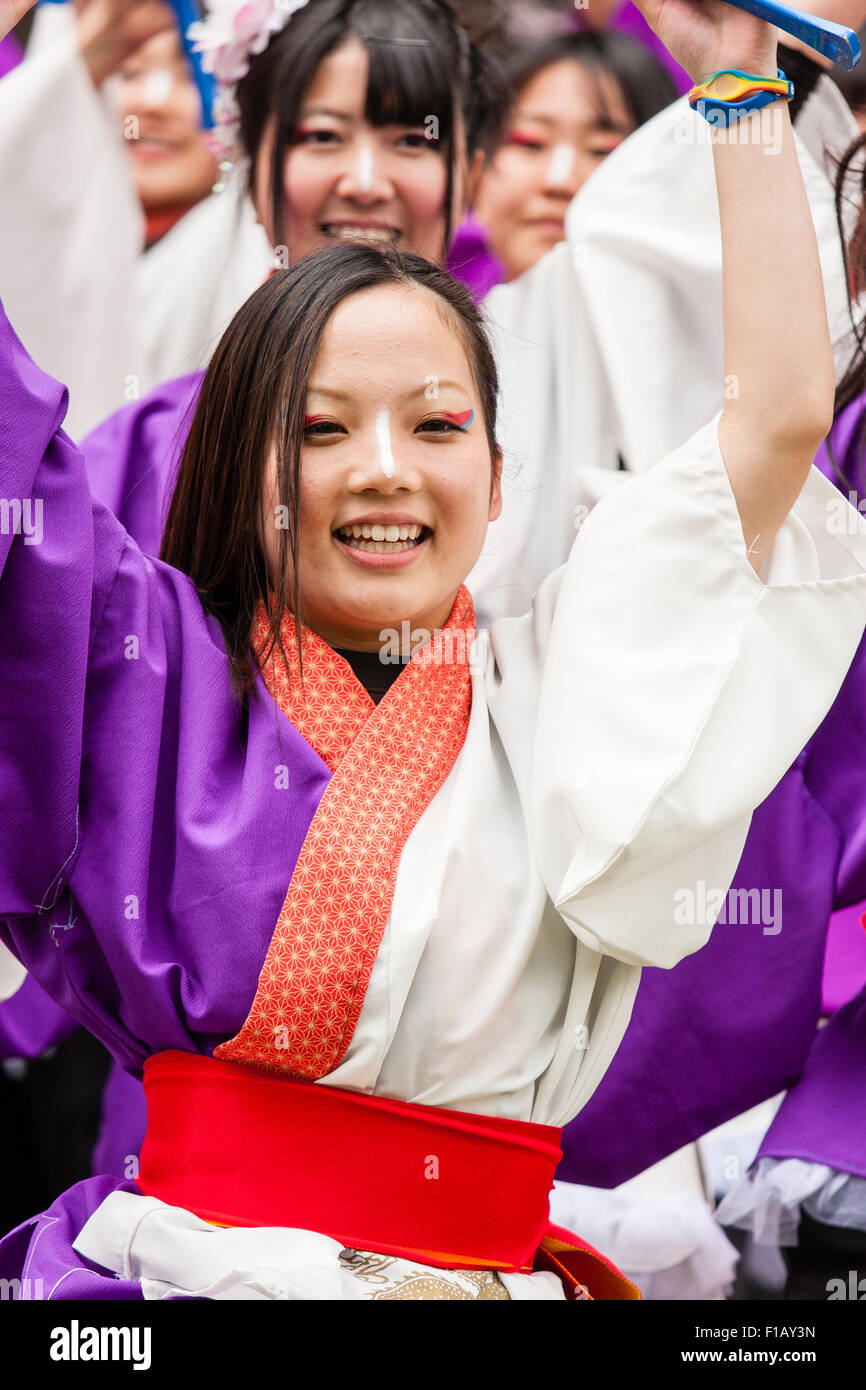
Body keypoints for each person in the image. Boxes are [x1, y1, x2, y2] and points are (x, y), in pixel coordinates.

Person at [2, 0, 866, 1303]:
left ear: (503, 475)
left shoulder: (574, 676)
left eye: (437, 423)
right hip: (180, 1274)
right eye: (324, 428)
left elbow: (777, 414)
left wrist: (744, 89)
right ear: (236, 470)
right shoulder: (148, 673)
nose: (386, 470)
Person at [467, 31, 677, 288]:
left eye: (602, 151)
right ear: (476, 173)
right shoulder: (433, 316)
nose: (559, 181)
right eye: (530, 143)